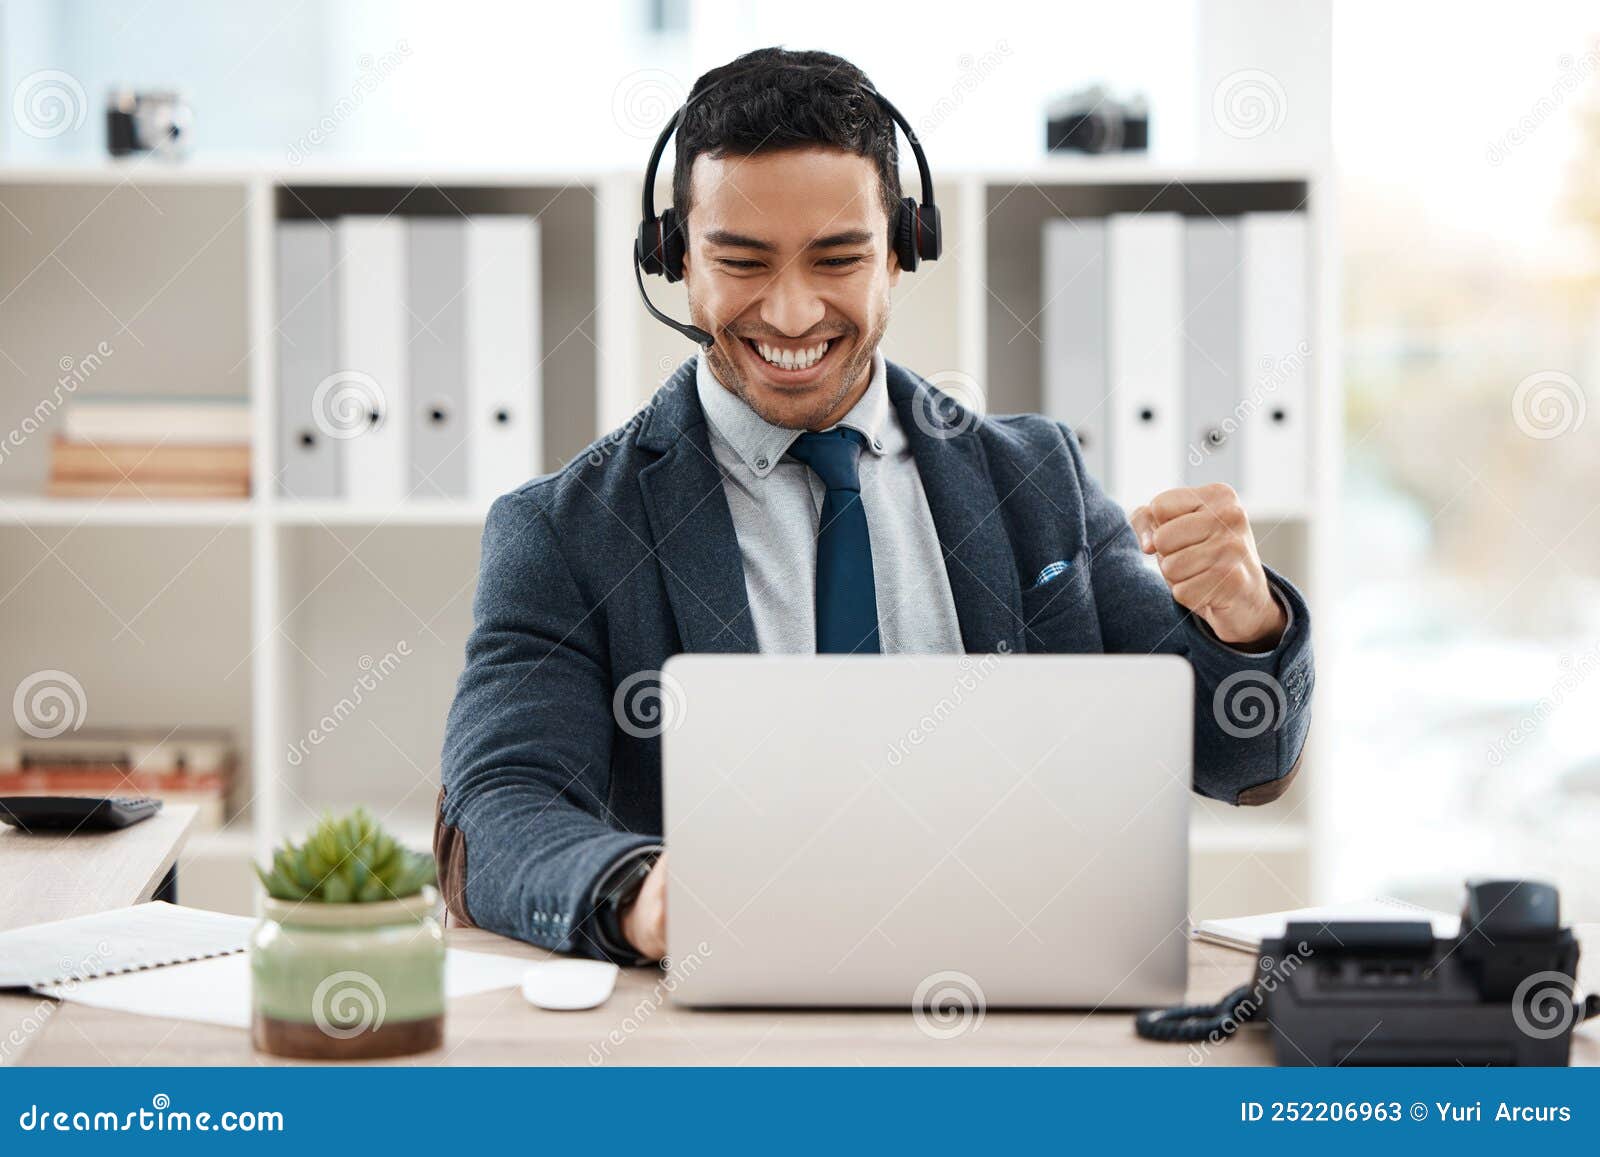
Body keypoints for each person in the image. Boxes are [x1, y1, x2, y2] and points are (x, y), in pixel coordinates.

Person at [435, 47, 1314, 964]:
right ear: (676, 262)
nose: (789, 312)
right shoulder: (564, 529)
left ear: (902, 252)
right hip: (719, 1025)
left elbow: (1235, 753)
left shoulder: (1033, 480)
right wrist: (639, 894)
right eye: (740, 261)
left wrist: (1245, 618)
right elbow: (496, 809)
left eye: (837, 257)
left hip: (1010, 997)